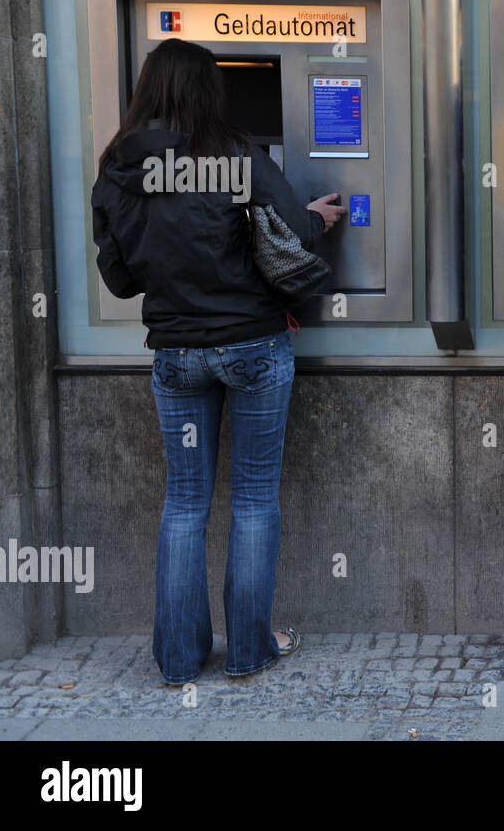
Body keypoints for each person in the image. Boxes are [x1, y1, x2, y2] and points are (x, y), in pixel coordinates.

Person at [91, 38, 345, 685]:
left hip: (176, 353)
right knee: (254, 501)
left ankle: (178, 659)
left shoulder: (118, 168)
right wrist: (320, 218)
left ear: (146, 89)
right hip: (254, 346)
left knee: (184, 504)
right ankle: (250, 649)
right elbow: (291, 228)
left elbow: (119, 279)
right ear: (209, 91)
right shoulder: (237, 157)